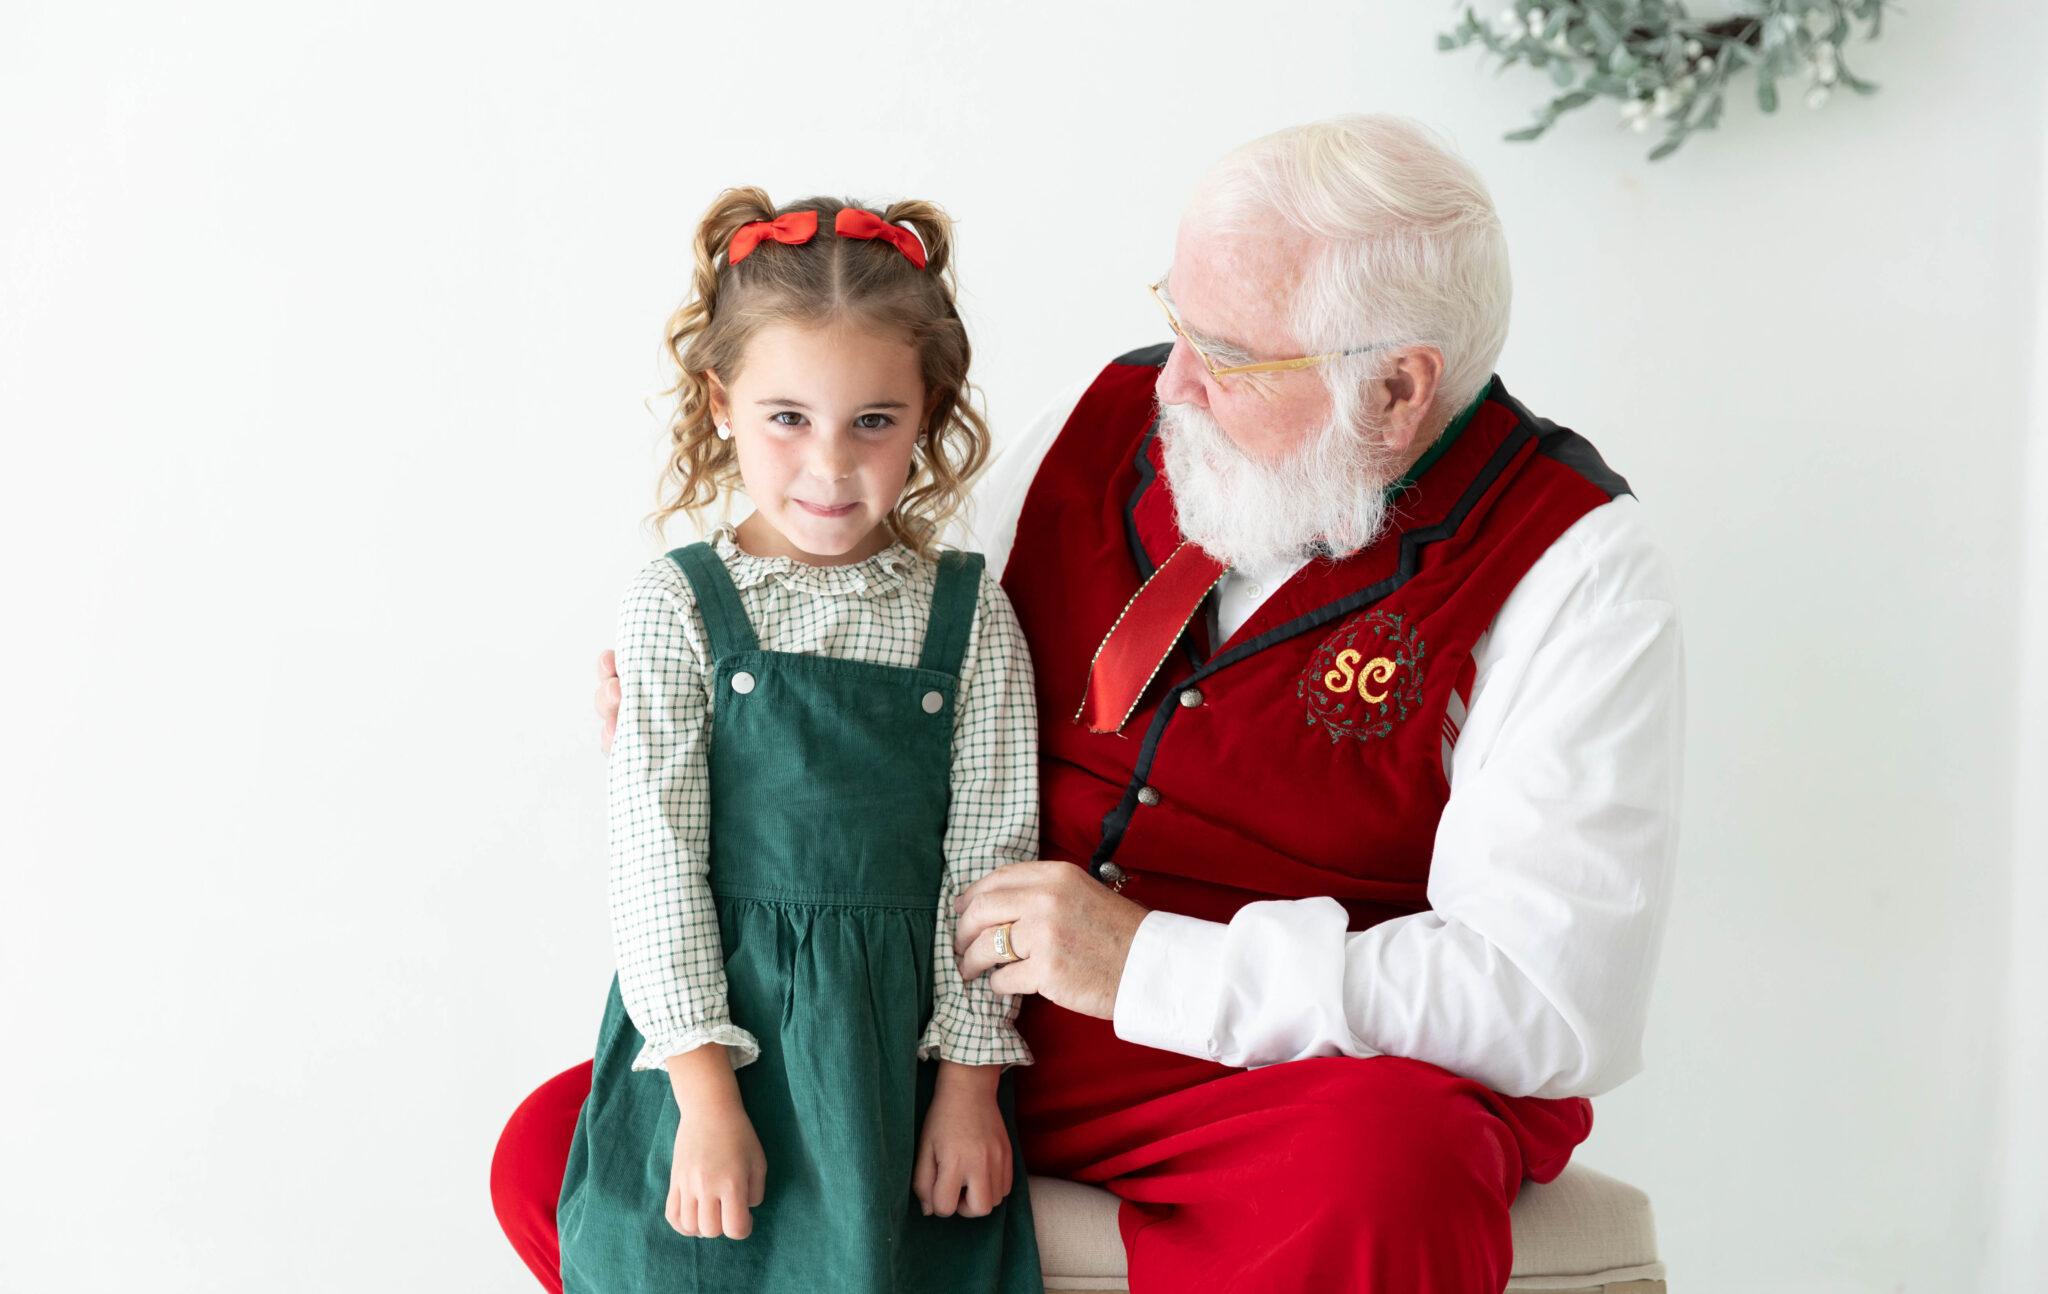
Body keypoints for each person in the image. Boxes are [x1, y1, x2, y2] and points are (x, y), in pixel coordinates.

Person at [498, 115, 1684, 1292]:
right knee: (564, 1150)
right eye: (1176, 319)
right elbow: (899, 640)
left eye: (1224, 354)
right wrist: (733, 734)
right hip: (946, 1013)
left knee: (1391, 1175)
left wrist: (1146, 967)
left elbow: (1547, 998)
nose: (1165, 380)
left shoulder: (1571, 562)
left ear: (1393, 390)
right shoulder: (1117, 412)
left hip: (1261, 1084)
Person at [524, 188, 1044, 1294]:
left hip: (894, 1058)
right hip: (719, 1039)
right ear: (720, 402)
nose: (829, 466)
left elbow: (993, 861)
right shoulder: (676, 606)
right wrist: (705, 1099)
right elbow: (656, 861)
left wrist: (966, 1087)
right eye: (786, 417)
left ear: (929, 410)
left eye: (873, 421)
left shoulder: (967, 613)